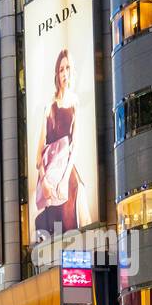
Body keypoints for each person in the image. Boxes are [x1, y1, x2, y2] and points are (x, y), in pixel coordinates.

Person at [33, 48, 90, 236]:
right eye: (61, 69)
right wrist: (45, 183)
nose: (65, 73)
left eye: (67, 68)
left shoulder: (75, 103)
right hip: (50, 173)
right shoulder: (49, 106)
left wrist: (65, 177)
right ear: (57, 74)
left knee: (79, 194)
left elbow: (76, 144)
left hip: (67, 168)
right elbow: (38, 155)